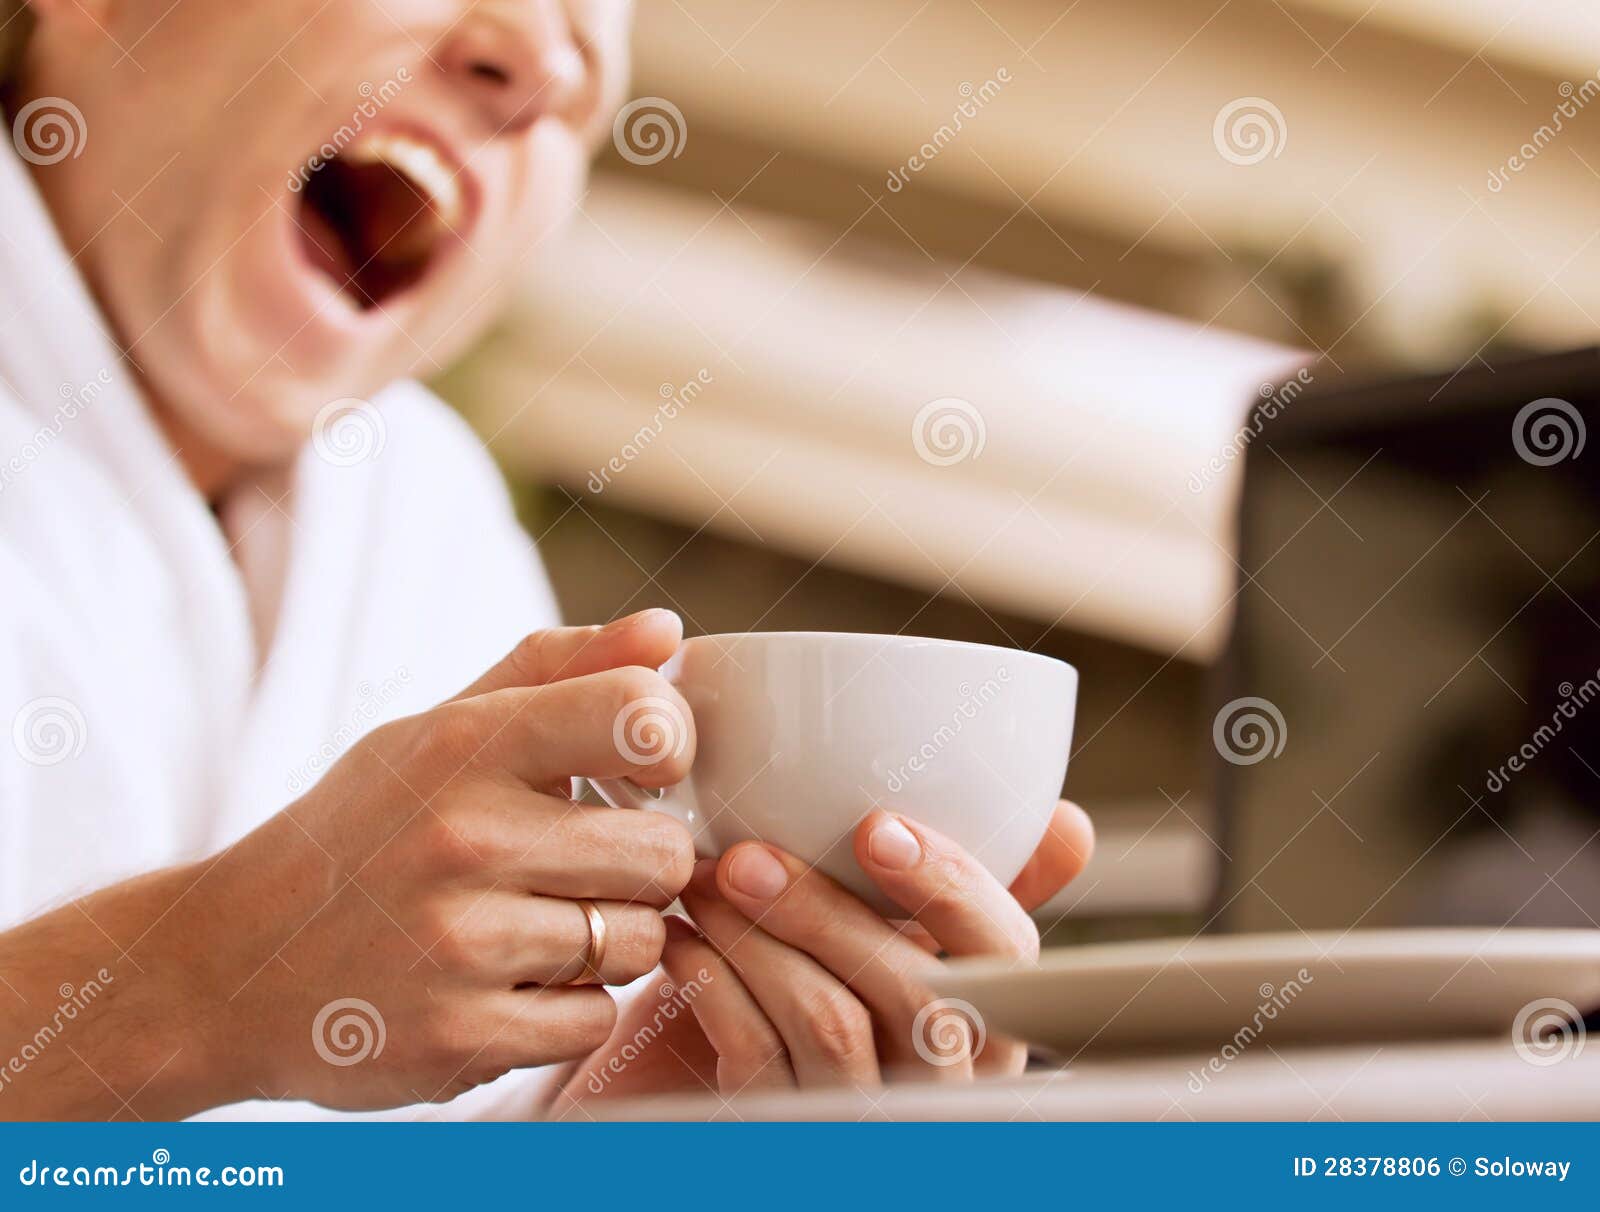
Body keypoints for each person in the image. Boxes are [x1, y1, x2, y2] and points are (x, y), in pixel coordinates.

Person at [0, 0, 1094, 1120]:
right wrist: (199, 982)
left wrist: (633, 1118)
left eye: (588, 91)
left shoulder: (424, 509)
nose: (543, 62)